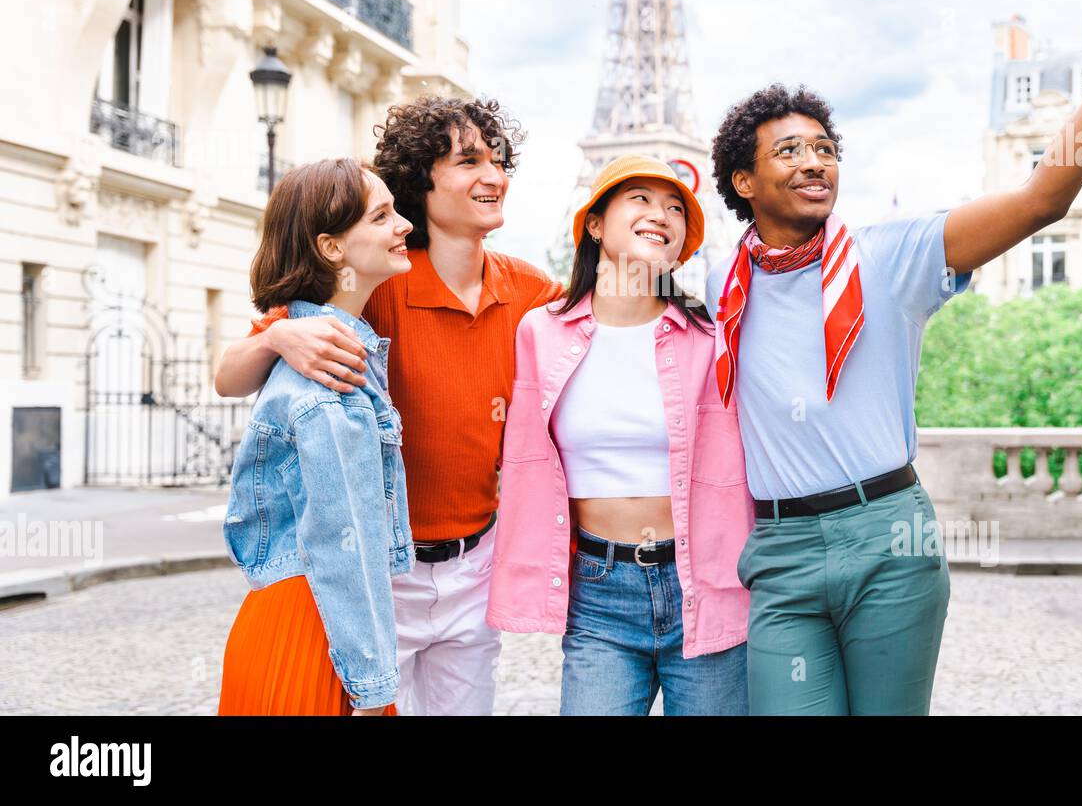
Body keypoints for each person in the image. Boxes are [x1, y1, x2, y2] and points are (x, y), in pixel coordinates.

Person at [706, 0, 1082, 715]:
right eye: (787, 149)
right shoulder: (716, 286)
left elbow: (1040, 201)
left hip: (890, 538)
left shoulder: (892, 256)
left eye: (826, 148)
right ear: (742, 180)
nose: (814, 161)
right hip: (781, 554)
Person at [214, 97, 563, 715]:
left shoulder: (530, 290)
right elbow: (228, 377)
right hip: (383, 574)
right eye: (469, 161)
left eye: (499, 160)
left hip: (475, 562)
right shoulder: (376, 282)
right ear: (419, 185)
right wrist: (275, 336)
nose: (494, 176)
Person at [487, 155, 751, 715]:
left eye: (676, 208)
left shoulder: (712, 337)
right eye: (641, 199)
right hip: (599, 593)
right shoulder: (541, 332)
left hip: (703, 584)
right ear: (594, 223)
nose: (662, 214)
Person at [218, 157, 414, 716]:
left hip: (287, 624)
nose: (403, 226)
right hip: (315, 635)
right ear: (331, 248)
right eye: (382, 216)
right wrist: (375, 690)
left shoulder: (310, 346)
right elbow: (344, 549)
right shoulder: (331, 381)